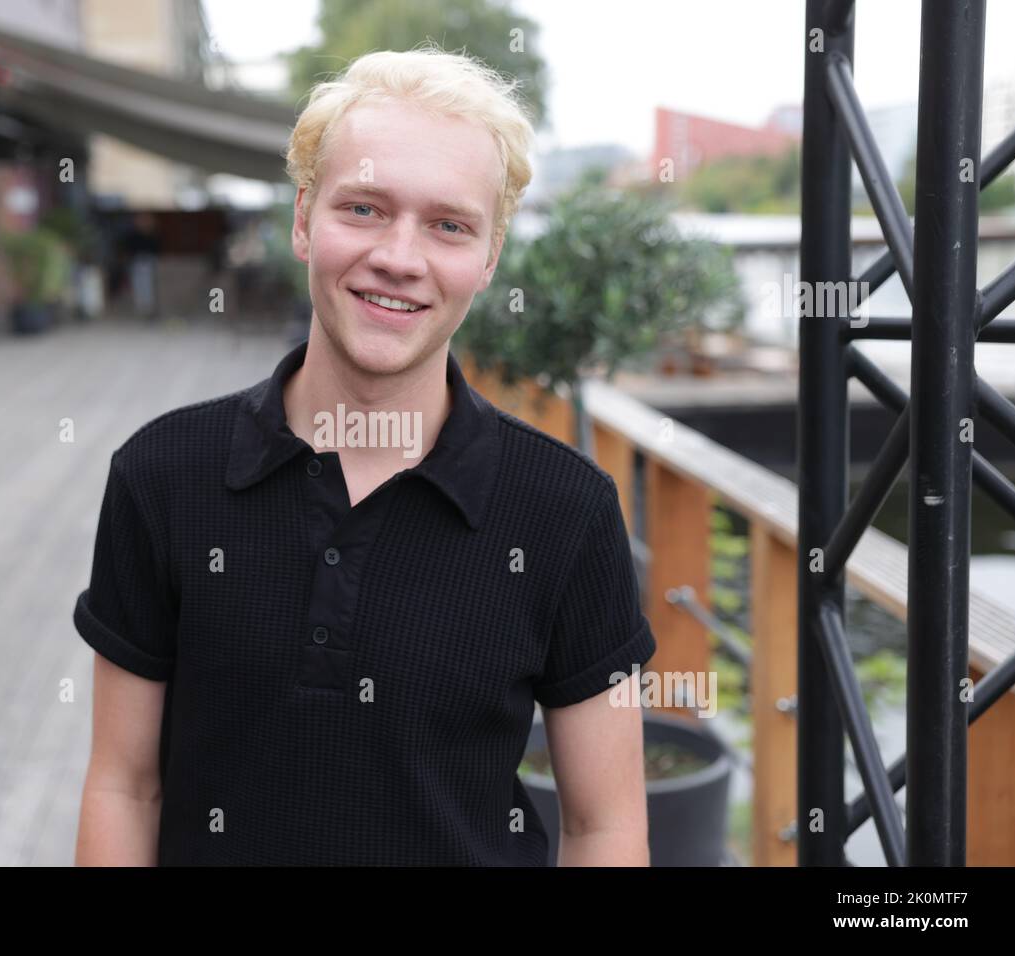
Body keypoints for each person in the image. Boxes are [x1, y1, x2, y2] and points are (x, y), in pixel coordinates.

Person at [73, 45, 657, 867]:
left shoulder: (566, 511)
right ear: (304, 219)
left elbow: (606, 827)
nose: (400, 258)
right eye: (365, 209)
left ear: (489, 259)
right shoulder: (162, 476)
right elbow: (122, 787)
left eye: (449, 225)